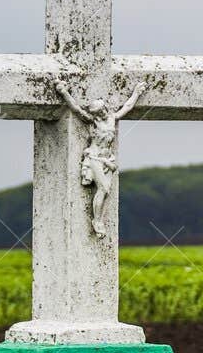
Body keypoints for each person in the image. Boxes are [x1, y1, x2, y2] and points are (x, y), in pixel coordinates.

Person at [55, 80, 144, 238]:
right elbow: (76, 109)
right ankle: (97, 221)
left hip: (108, 160)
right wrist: (64, 92)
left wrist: (136, 92)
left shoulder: (112, 118)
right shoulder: (92, 121)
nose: (102, 112)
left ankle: (99, 219)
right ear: (95, 114)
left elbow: (128, 107)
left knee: (106, 190)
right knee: (103, 188)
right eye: (99, 111)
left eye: (103, 109)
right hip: (94, 158)